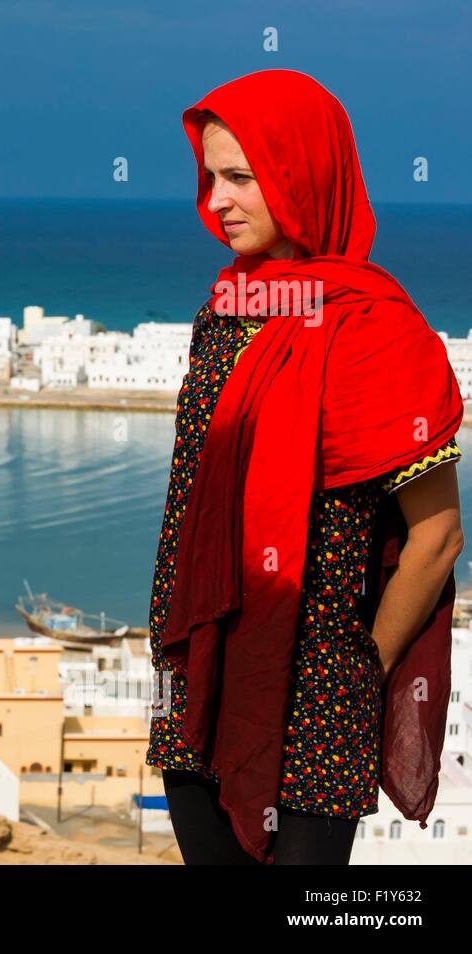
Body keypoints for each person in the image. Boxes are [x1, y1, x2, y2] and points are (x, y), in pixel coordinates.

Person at [145, 69, 464, 865]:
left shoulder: (377, 331)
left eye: (241, 178)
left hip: (316, 689)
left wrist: (363, 670)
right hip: (198, 675)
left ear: (302, 175)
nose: (216, 201)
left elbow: (438, 536)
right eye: (210, 177)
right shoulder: (223, 314)